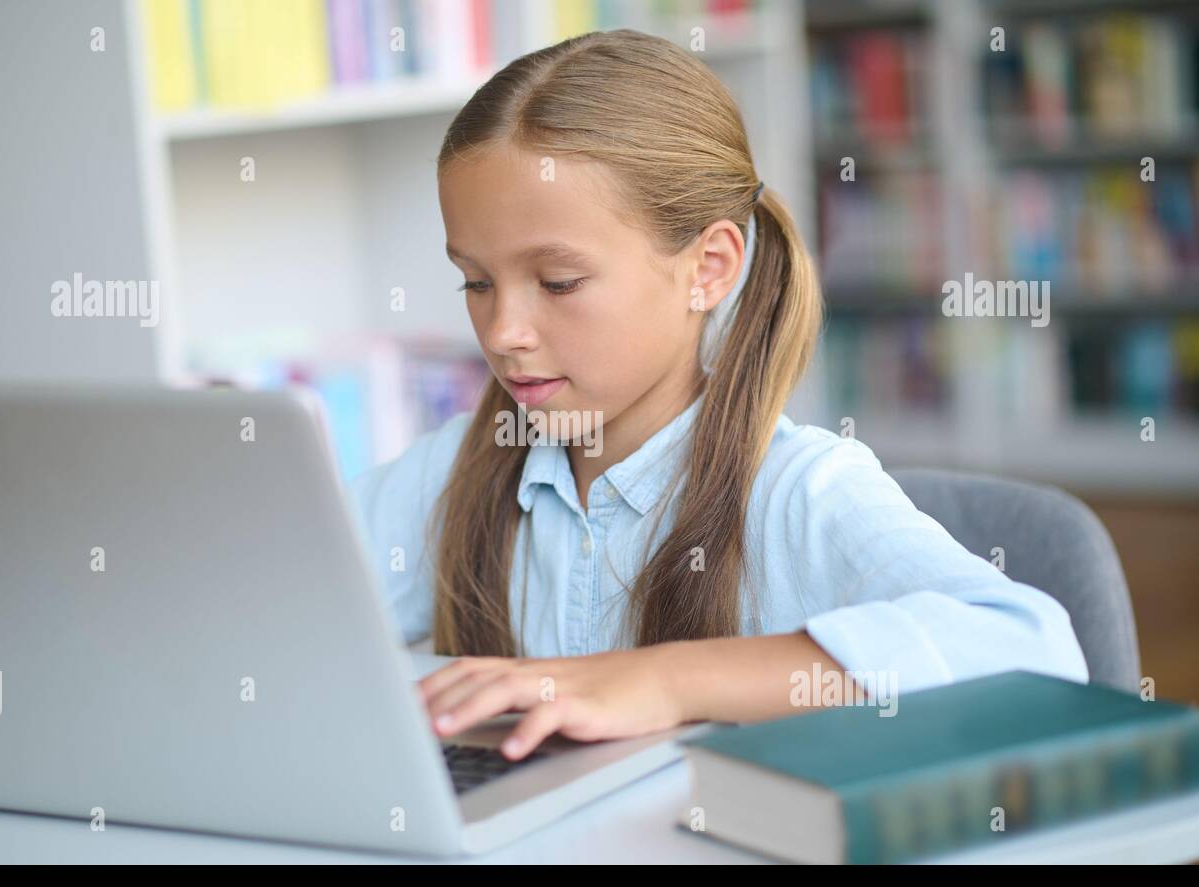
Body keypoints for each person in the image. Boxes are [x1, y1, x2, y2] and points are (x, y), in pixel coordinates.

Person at [351, 29, 1088, 761]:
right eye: (476, 282)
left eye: (558, 283)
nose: (504, 331)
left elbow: (1032, 648)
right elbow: (276, 606)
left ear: (709, 268)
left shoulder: (798, 492)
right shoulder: (455, 473)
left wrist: (661, 681)